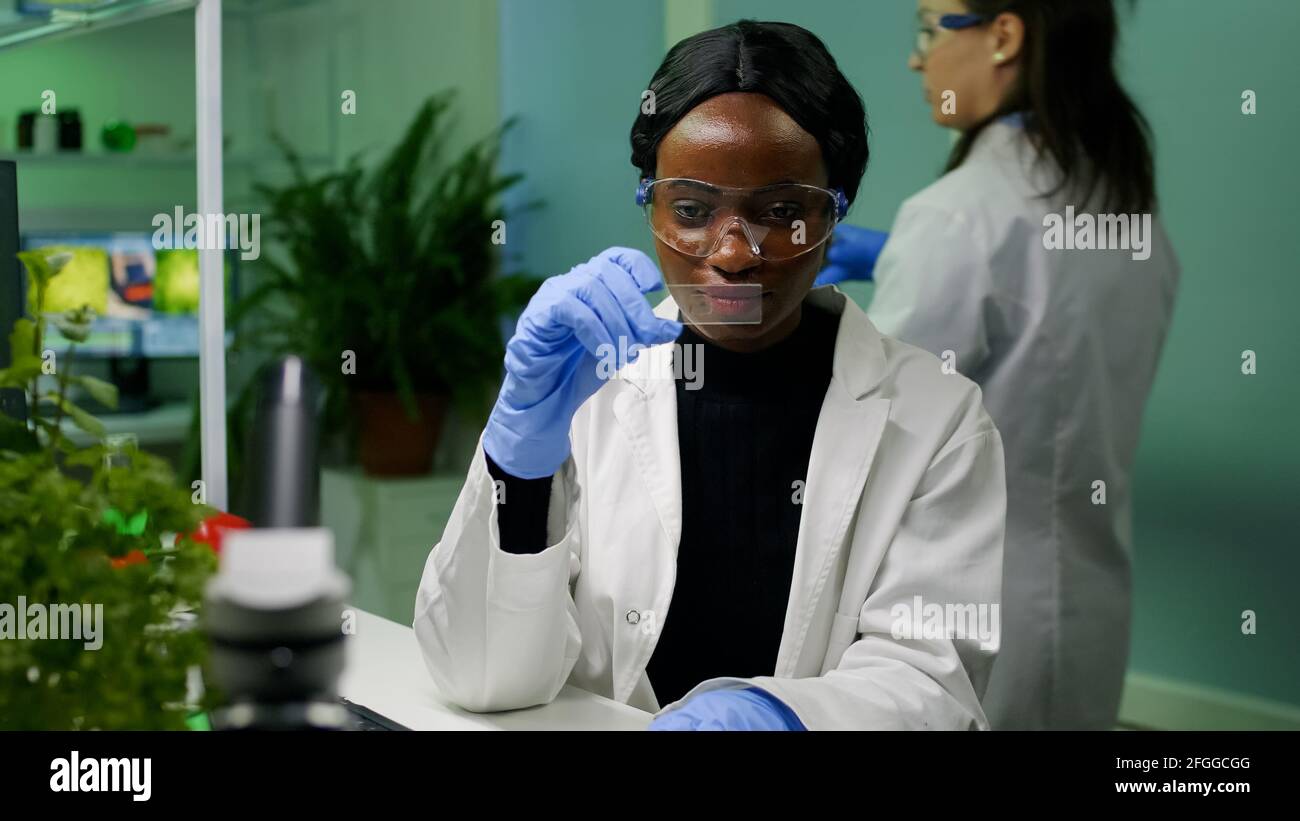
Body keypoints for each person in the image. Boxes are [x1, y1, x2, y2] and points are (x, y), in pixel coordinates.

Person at [414, 20, 1006, 730]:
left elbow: (930, 681)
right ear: (650, 204)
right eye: (692, 210)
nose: (731, 252)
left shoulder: (937, 419)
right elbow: (479, 678)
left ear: (833, 213)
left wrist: (776, 717)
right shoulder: (584, 385)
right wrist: (518, 467)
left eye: (781, 211)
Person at [818, 0, 1180, 729]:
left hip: (967, 608)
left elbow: (866, 429)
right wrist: (906, 257)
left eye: (928, 27)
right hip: (1085, 602)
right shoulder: (1128, 208)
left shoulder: (958, 215)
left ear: (1005, 35)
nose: (917, 59)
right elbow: (1048, 322)